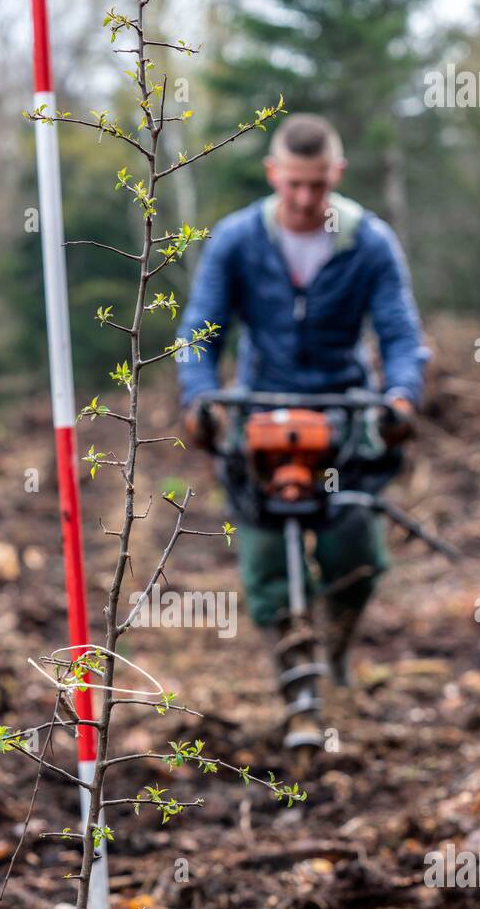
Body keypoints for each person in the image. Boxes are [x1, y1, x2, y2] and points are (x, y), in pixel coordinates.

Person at [177, 112, 429, 725]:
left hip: (344, 411)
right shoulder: (238, 240)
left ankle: (335, 645)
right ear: (273, 175)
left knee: (352, 546)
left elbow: (399, 333)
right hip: (260, 409)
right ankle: (293, 675)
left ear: (336, 175)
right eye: (294, 184)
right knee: (264, 554)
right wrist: (201, 397)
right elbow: (199, 331)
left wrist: (400, 396)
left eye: (318, 185)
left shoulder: (368, 242)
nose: (306, 199)